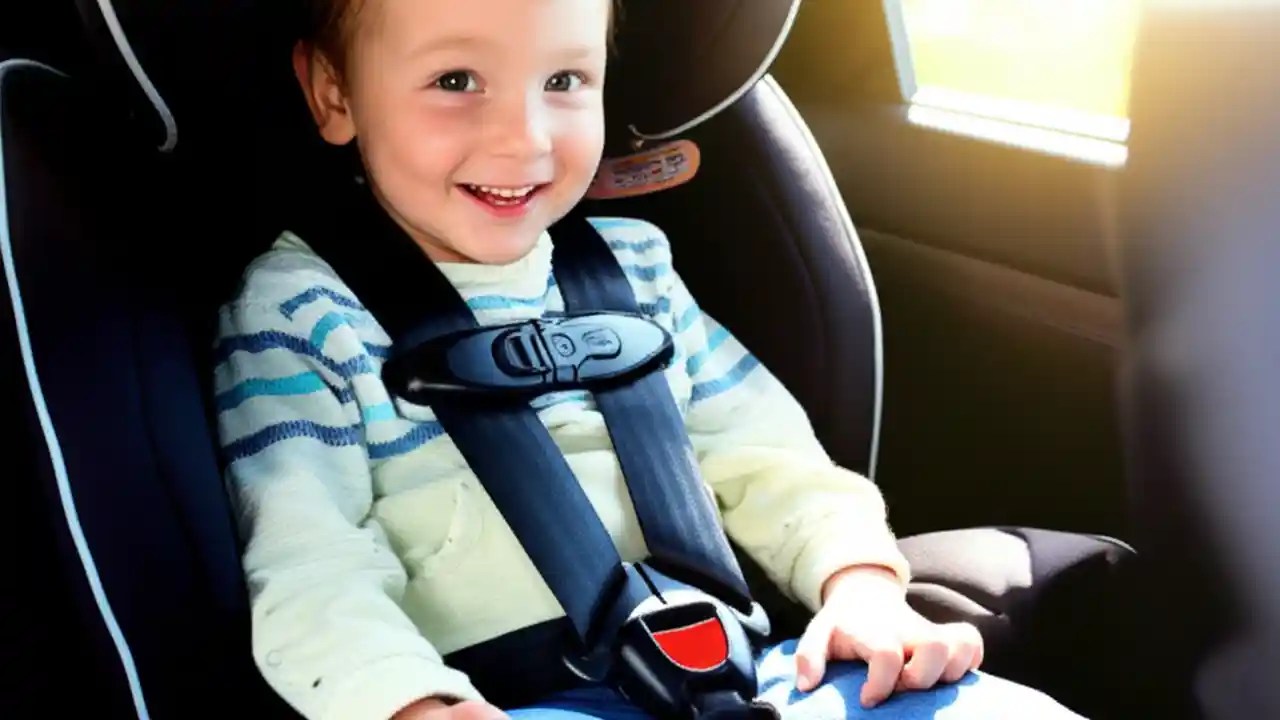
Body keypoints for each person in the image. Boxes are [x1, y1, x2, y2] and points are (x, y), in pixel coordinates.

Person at [213, 1, 1085, 718]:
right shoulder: (299, 312)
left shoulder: (635, 268)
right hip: (498, 701)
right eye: (455, 81)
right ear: (333, 93)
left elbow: (770, 459)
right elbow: (309, 562)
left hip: (750, 671)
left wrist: (858, 584)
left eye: (564, 81)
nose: (523, 138)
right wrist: (411, 705)